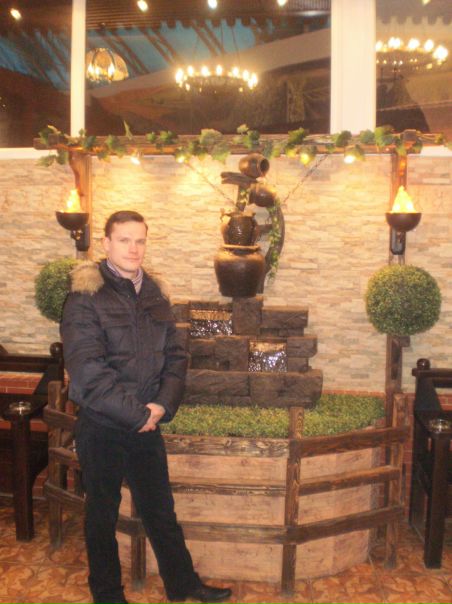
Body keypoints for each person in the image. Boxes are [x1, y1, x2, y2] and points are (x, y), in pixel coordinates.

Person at [61, 210, 232, 604]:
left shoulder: (155, 294)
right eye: (124, 240)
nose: (133, 248)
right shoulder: (85, 298)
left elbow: (176, 356)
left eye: (140, 240)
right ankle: (108, 595)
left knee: (161, 511)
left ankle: (183, 584)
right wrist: (139, 414)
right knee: (101, 517)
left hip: (148, 424)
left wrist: (161, 406)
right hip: (102, 427)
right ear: (106, 243)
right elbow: (88, 372)